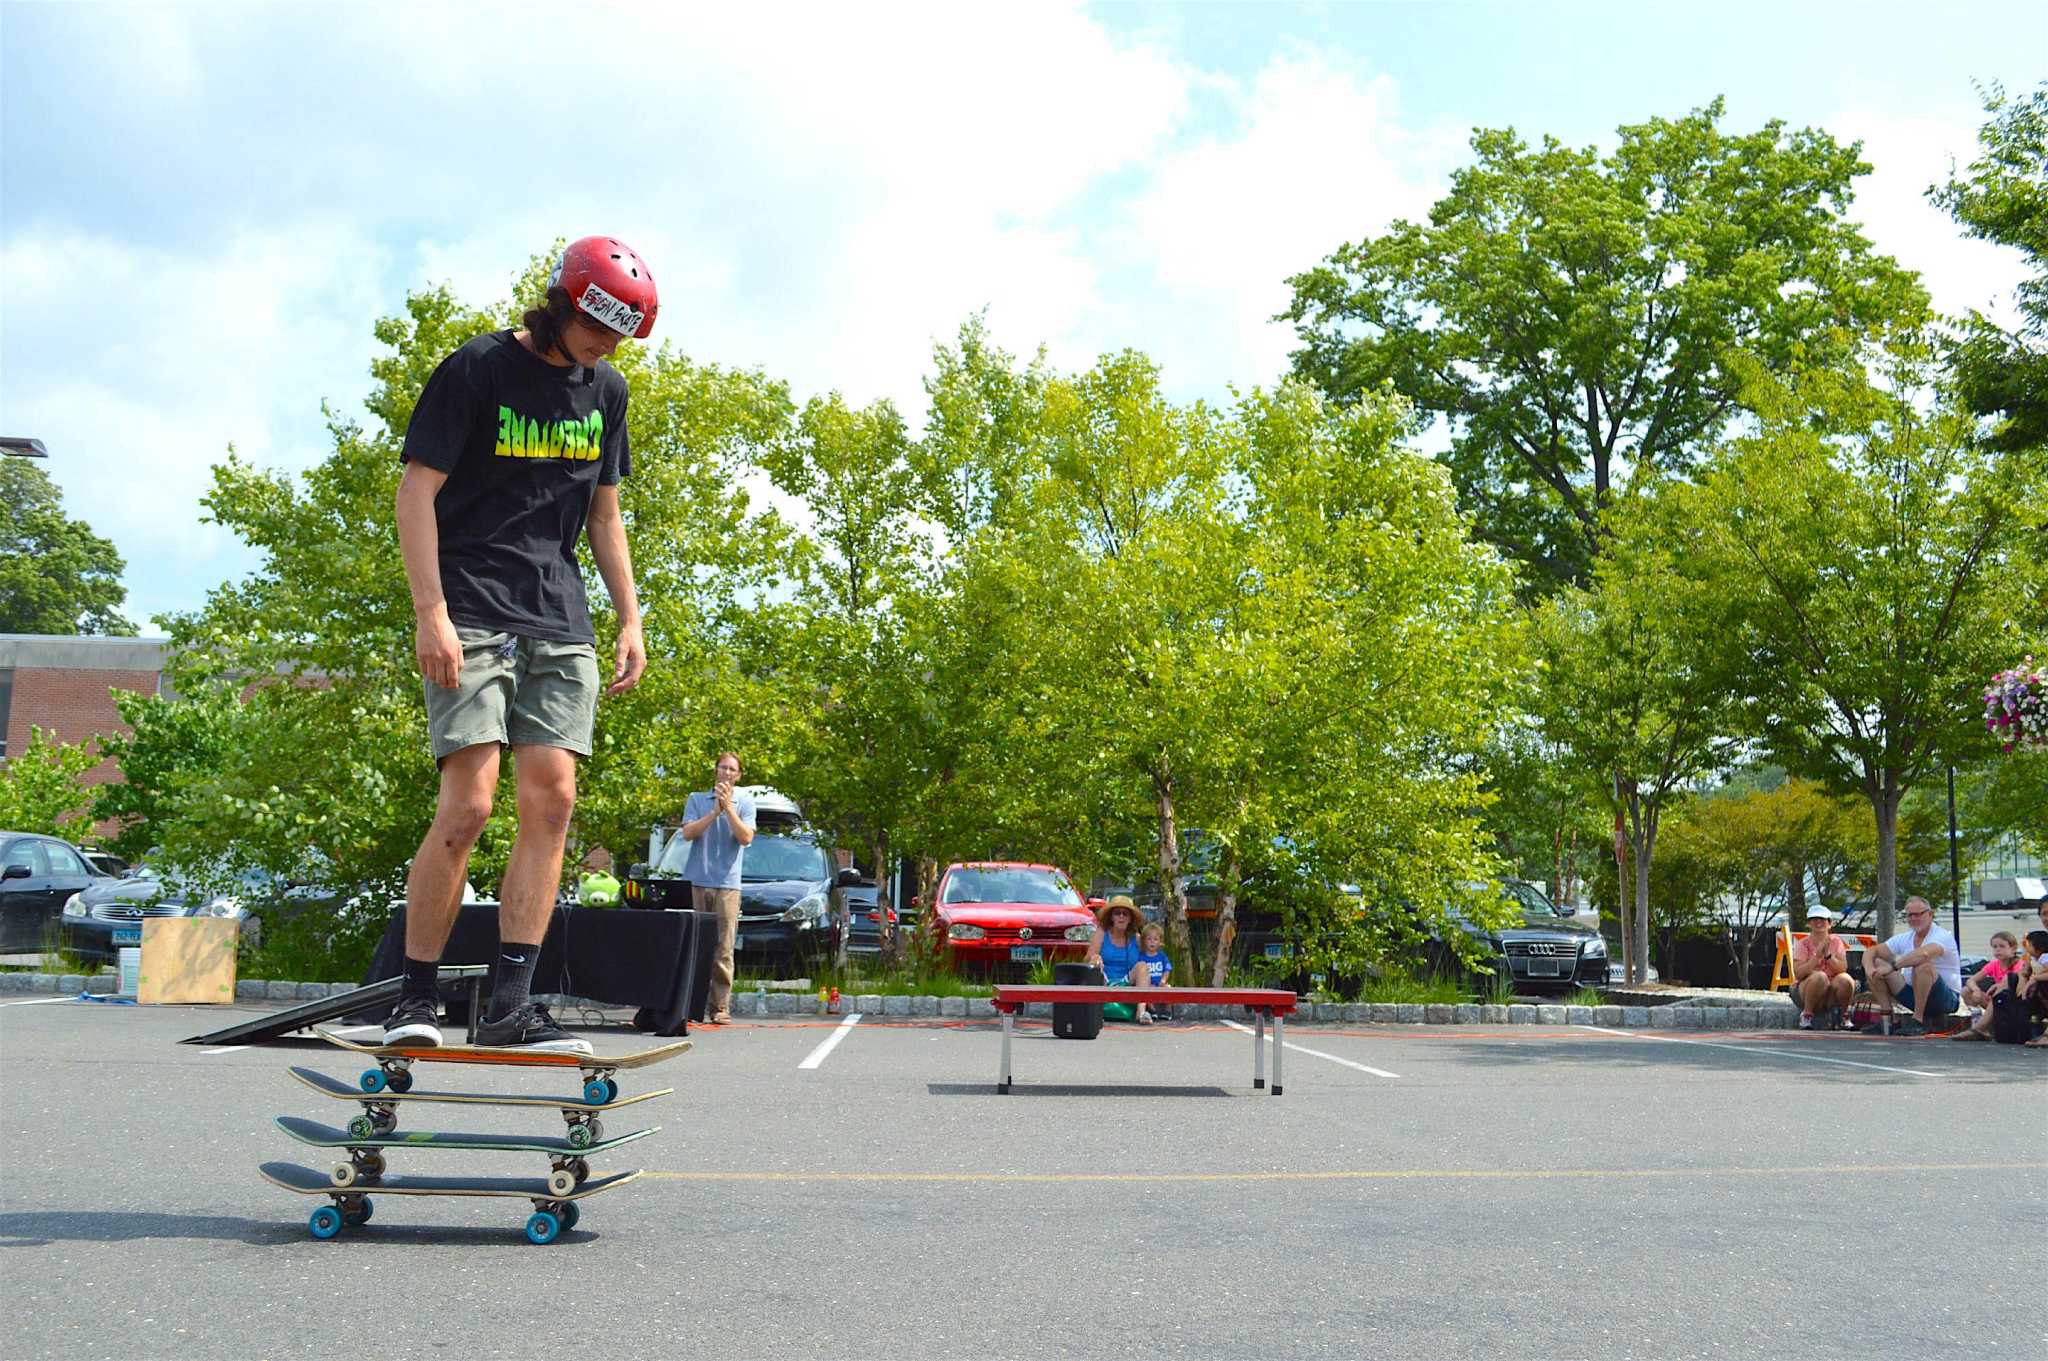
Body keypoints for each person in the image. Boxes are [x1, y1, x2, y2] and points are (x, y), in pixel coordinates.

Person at [384, 235, 655, 1053]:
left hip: (558, 616)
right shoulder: (478, 369)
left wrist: (630, 617)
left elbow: (604, 513)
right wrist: (430, 612)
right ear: (562, 305)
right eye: (599, 328)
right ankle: (415, 996)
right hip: (469, 605)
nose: (608, 347)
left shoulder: (606, 392)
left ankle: (510, 1001)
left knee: (554, 799)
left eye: (621, 336)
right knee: (469, 804)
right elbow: (415, 493)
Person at [679, 752, 756, 1025]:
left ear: (738, 775)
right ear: (716, 770)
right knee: (694, 946)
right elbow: (688, 833)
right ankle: (688, 1006)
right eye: (723, 767)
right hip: (697, 882)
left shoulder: (746, 802)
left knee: (723, 949)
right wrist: (714, 812)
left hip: (727, 885)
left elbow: (746, 837)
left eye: (732, 769)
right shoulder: (696, 799)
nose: (727, 772)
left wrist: (729, 809)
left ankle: (720, 1006)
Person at [1862, 896, 1963, 1036]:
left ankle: (1917, 1020)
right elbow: (1872, 951)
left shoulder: (1942, 936)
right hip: (1913, 994)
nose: (1913, 918)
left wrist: (1892, 967)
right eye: (1910, 915)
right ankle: (1887, 1019)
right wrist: (1870, 970)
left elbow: (1924, 954)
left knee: (1922, 966)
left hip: (1944, 999)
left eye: (1918, 914)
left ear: (1930, 914)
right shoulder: (1905, 937)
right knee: (1876, 961)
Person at [1085, 894, 1158, 1023]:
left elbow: (1153, 959)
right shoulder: (1101, 933)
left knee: (1142, 966)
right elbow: (1086, 961)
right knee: (1094, 962)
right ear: (1111, 917)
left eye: (1125, 914)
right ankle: (1095, 1010)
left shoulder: (1137, 938)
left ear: (1130, 919)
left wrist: (1160, 981)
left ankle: (1141, 1013)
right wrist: (1095, 958)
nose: (1121, 917)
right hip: (1104, 980)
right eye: (1117, 913)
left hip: (1126, 981)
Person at [1791, 906, 1854, 1031]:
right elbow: (1799, 973)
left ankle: (1843, 1015)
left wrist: (1828, 956)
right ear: (1809, 923)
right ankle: (1806, 1015)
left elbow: (1842, 968)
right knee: (1820, 977)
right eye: (1814, 919)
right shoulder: (1802, 944)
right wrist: (1817, 957)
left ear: (1829, 924)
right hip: (1806, 989)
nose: (1818, 922)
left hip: (1830, 990)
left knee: (1846, 979)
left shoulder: (1836, 942)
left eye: (1822, 919)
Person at [1952, 931, 2023, 1040]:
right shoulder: (1994, 964)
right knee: (1966, 991)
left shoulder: (2019, 964)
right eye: (1995, 947)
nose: (1998, 949)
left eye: (2002, 946)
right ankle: (1977, 1018)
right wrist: (1976, 990)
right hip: (1996, 1000)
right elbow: (1971, 980)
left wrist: (1997, 986)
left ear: (2013, 948)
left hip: (2012, 1002)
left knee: (1999, 991)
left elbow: (2010, 983)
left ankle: (1979, 1028)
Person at [1134, 922, 1173, 1023]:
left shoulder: (1162, 956)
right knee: (1147, 990)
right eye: (1149, 939)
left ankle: (1168, 1011)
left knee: (1168, 988)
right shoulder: (1142, 957)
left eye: (1155, 939)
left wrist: (1163, 980)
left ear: (1160, 942)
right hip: (1149, 984)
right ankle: (1152, 1010)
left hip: (1160, 983)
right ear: (1144, 941)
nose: (1152, 942)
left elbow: (1167, 969)